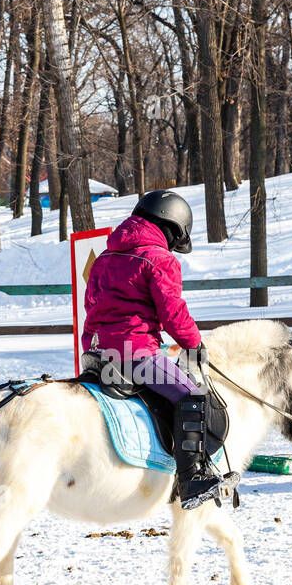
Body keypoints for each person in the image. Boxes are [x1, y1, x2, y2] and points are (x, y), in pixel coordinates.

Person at [82, 189, 238, 510]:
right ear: (172, 227)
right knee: (191, 394)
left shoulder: (105, 258)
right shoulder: (159, 259)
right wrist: (194, 344)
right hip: (135, 356)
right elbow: (173, 314)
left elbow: (92, 307)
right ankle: (192, 478)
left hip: (97, 354)